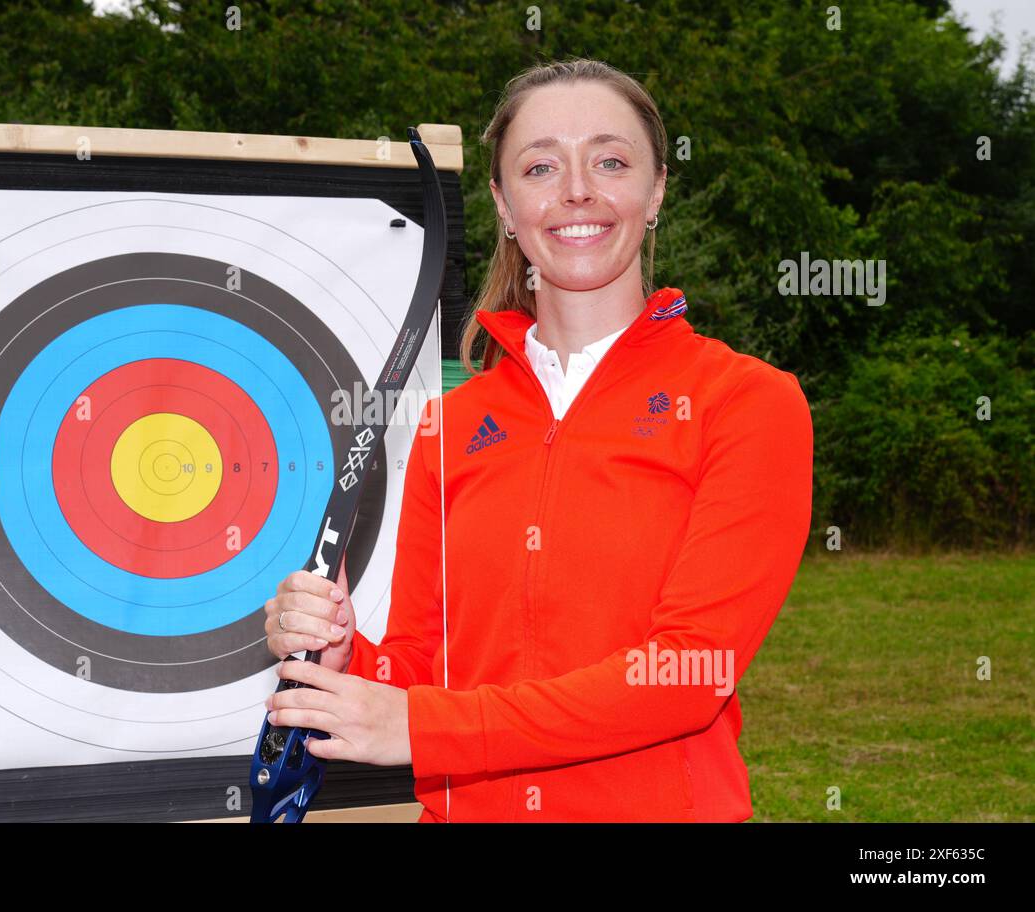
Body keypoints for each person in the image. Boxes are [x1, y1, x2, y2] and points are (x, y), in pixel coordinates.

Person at [262, 58, 813, 822]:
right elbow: (425, 668)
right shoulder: (449, 425)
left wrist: (421, 728)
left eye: (611, 161)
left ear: (655, 192)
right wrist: (349, 661)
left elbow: (686, 676)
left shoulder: (746, 401)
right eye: (542, 166)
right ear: (504, 204)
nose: (578, 191)